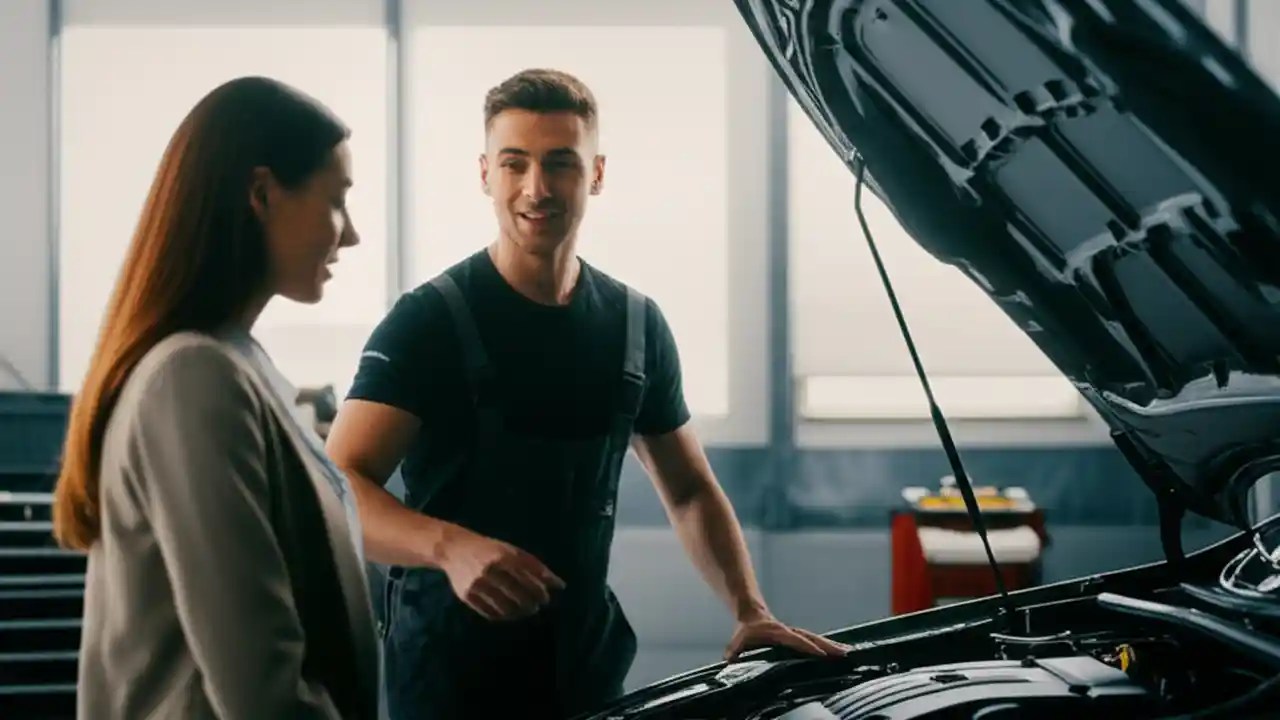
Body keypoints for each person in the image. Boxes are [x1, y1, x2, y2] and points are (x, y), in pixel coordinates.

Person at [324, 67, 850, 719]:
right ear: (484, 174)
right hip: (447, 676)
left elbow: (687, 491)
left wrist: (751, 609)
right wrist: (450, 547)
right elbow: (340, 482)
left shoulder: (635, 325)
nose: (536, 189)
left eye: (560, 164)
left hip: (582, 668)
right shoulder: (428, 322)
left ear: (596, 174)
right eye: (514, 164)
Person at [51, 76, 380, 720]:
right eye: (337, 201)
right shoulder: (193, 377)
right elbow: (263, 695)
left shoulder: (237, 364)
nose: (351, 236)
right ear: (261, 194)